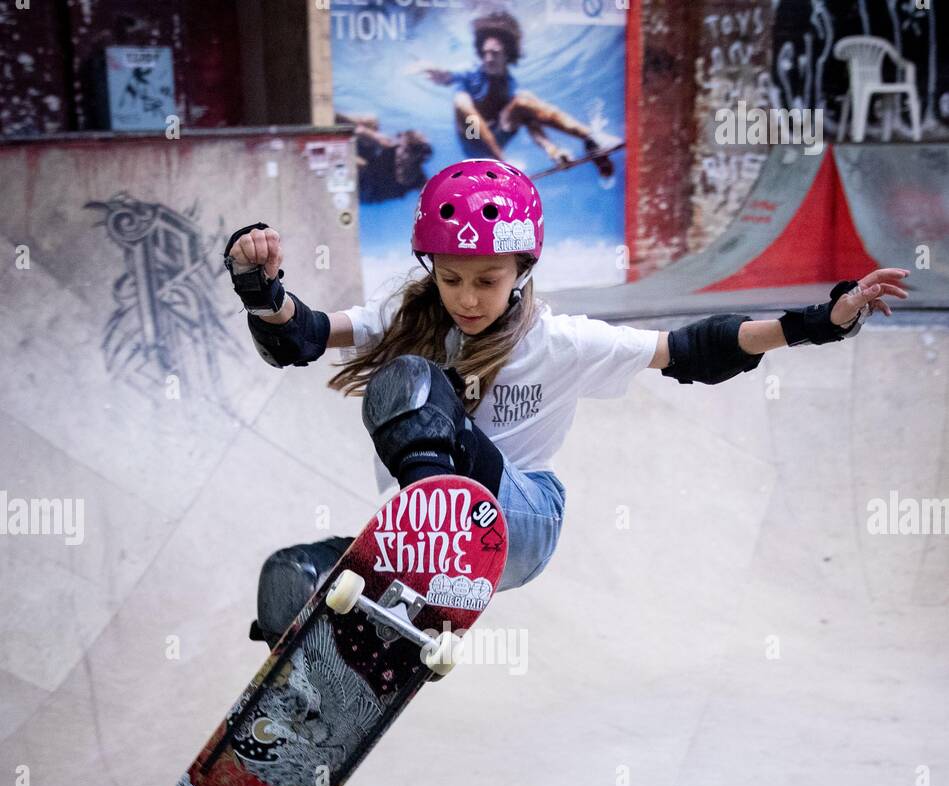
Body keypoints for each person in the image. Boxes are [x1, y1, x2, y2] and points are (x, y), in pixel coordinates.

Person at [223, 157, 909, 650]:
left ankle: (436, 540)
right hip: (437, 541)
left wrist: (823, 319)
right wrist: (262, 293)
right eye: (452, 278)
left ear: (523, 269)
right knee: (293, 579)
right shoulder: (405, 316)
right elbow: (304, 338)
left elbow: (693, 350)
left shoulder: (561, 342)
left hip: (520, 521)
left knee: (409, 382)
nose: (466, 298)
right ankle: (358, 622)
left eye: (487, 281)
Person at [410, 8, 619, 179]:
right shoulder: (472, 72)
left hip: (497, 137)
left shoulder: (510, 85)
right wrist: (433, 70)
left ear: (507, 55)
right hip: (472, 138)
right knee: (461, 101)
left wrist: (553, 151)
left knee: (524, 102)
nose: (488, 58)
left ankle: (590, 138)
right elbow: (447, 76)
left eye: (495, 53)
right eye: (485, 53)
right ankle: (502, 164)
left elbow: (531, 124)